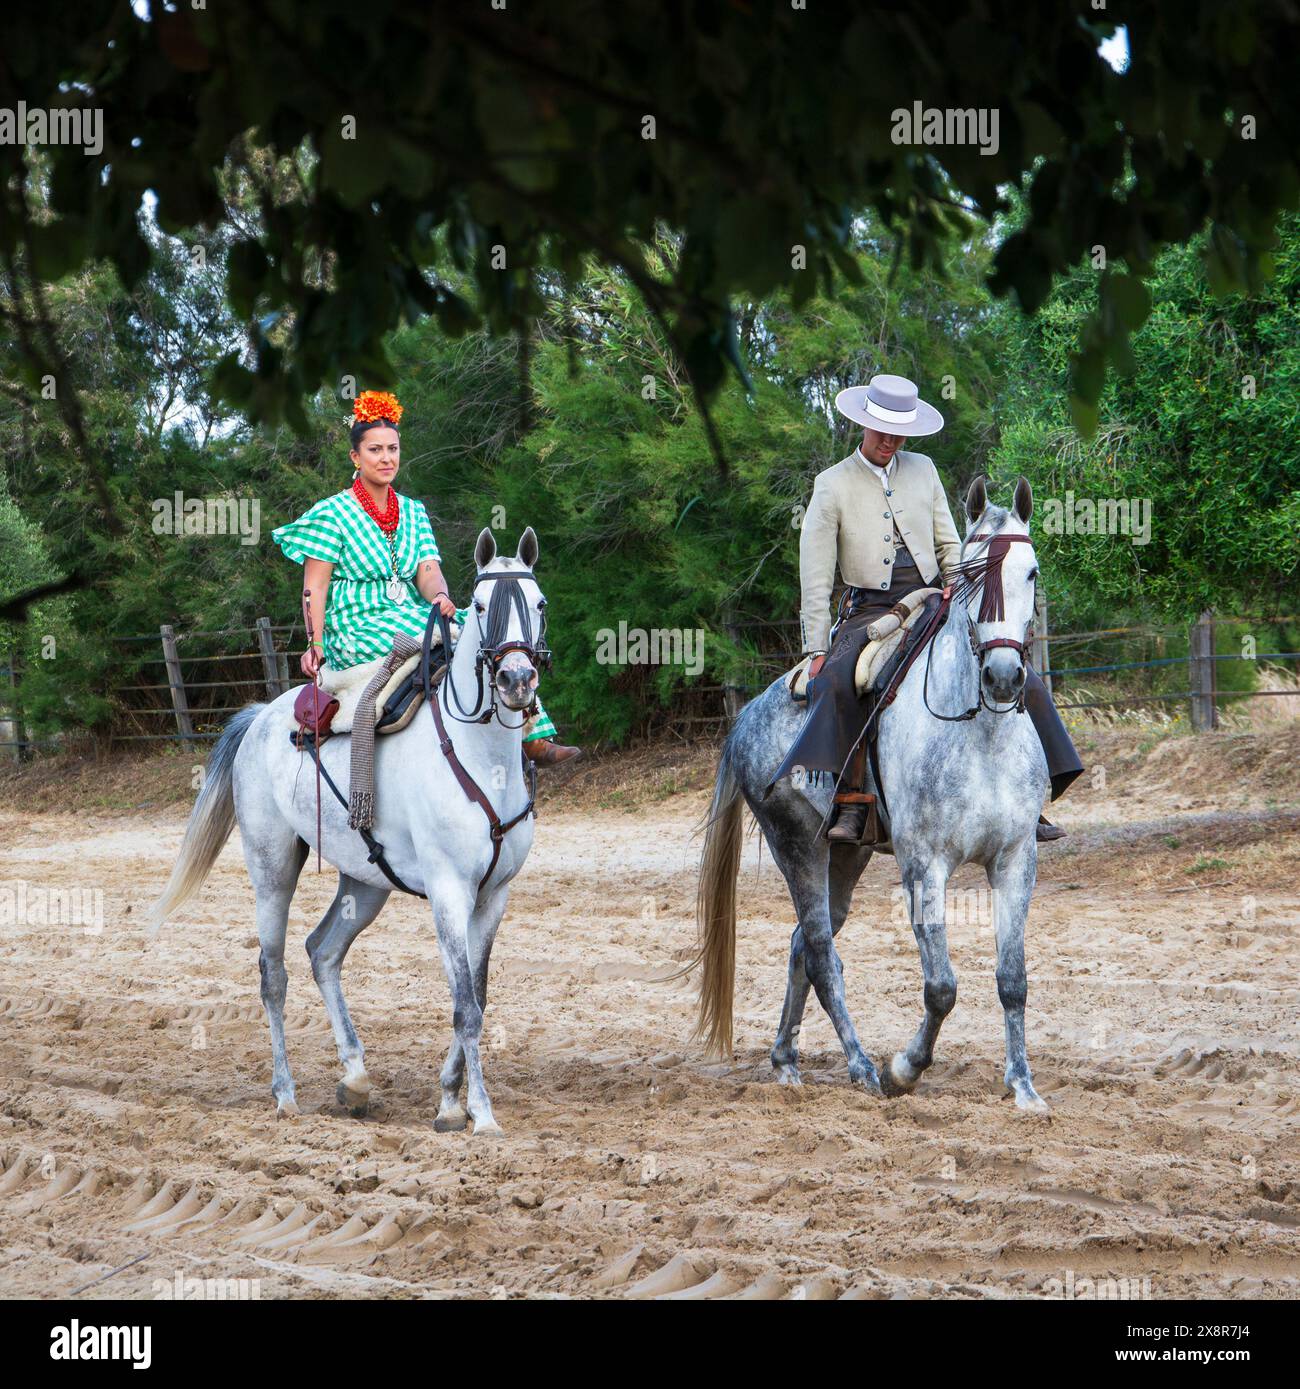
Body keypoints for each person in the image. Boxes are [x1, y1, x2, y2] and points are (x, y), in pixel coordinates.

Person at [778, 373, 1080, 843]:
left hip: (934, 597)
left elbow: (949, 545)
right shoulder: (831, 484)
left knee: (1013, 670)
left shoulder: (924, 470)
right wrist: (816, 646)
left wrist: (959, 592)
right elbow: (814, 576)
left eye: (899, 431)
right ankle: (852, 800)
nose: (891, 440)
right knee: (840, 682)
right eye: (882, 430)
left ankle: (1026, 798)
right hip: (868, 608)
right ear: (864, 423)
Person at [271, 389, 579, 765]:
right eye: (375, 450)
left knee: (484, 628)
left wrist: (439, 596)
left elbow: (429, 572)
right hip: (357, 620)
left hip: (410, 609)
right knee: (416, 639)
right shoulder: (331, 513)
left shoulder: (414, 512)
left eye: (393, 449)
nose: (386, 458)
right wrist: (314, 642)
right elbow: (314, 587)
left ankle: (528, 731)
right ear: (355, 456)